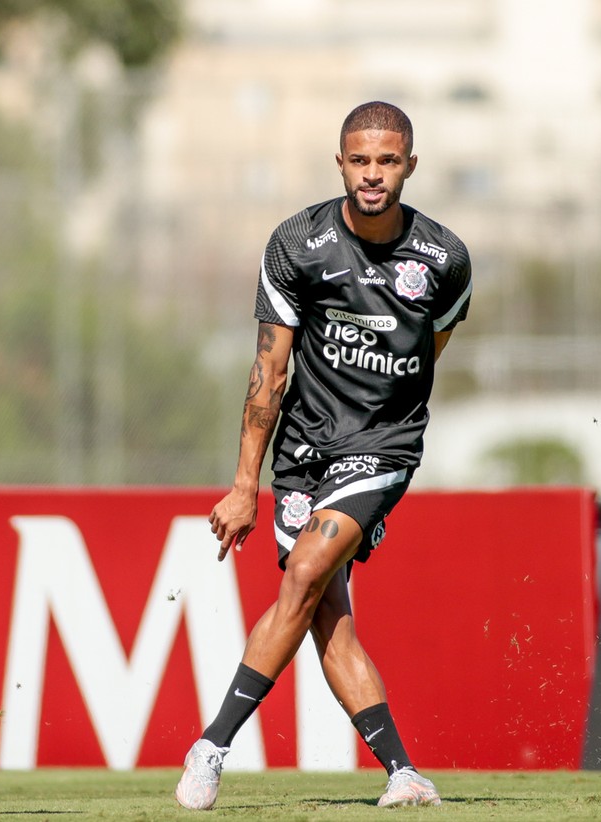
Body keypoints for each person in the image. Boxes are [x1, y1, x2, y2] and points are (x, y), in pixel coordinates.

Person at [174, 101, 472, 810]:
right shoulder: (295, 245)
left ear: (410, 165)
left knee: (306, 570)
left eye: (388, 161)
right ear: (341, 163)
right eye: (361, 160)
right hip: (302, 452)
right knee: (323, 612)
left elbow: (426, 355)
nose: (373, 175)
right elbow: (267, 374)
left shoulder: (445, 260)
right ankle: (402, 771)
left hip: (382, 448)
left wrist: (384, 420)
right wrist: (246, 483)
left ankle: (211, 746)